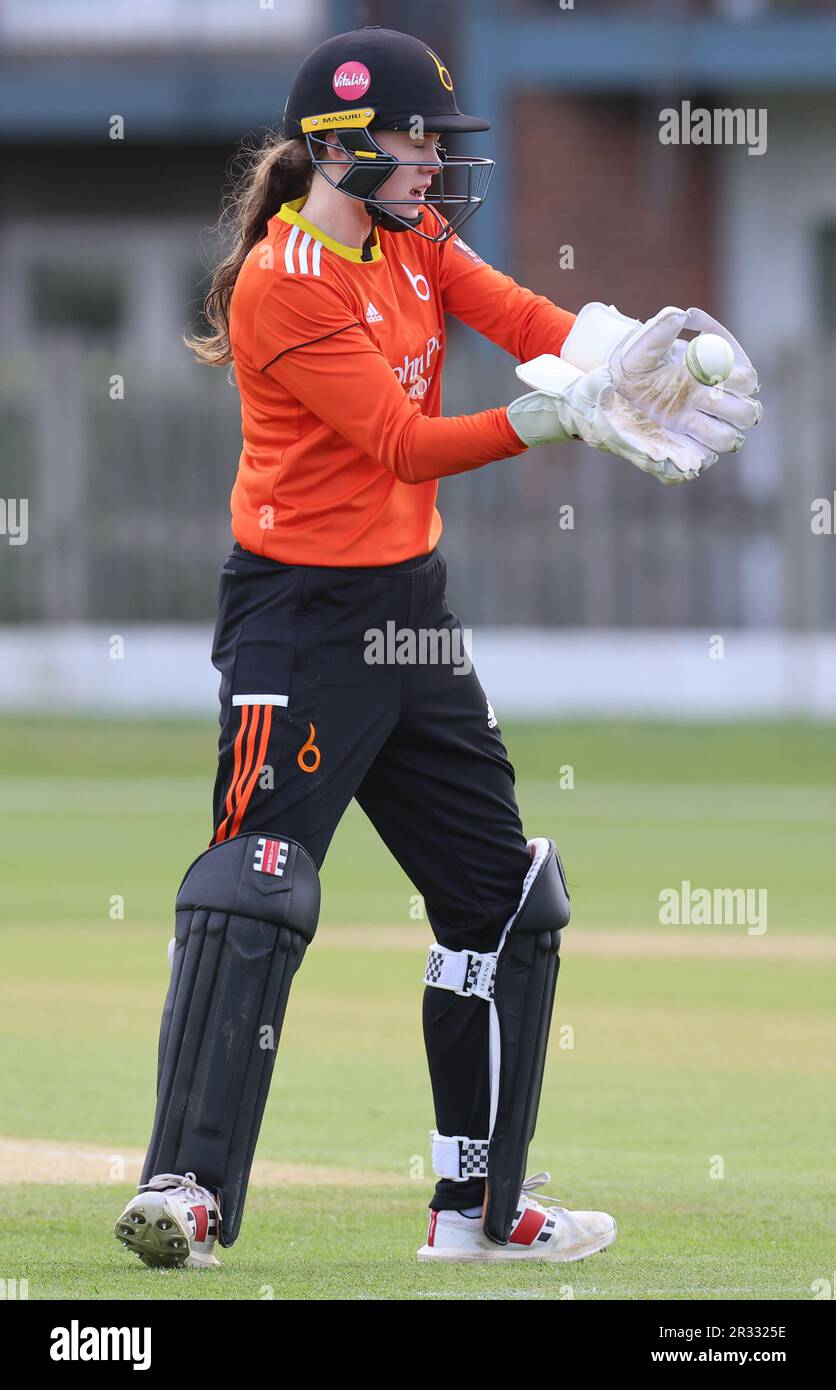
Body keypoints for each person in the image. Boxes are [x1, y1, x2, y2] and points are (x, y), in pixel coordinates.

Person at [114, 25, 761, 1271]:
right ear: (342, 147)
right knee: (256, 885)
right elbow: (402, 445)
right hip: (295, 621)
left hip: (408, 611)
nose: (431, 165)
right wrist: (558, 419)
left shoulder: (411, 240)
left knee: (508, 899)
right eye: (414, 142)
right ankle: (184, 1191)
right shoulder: (283, 279)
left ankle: (476, 1209)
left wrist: (622, 356)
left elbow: (514, 311)